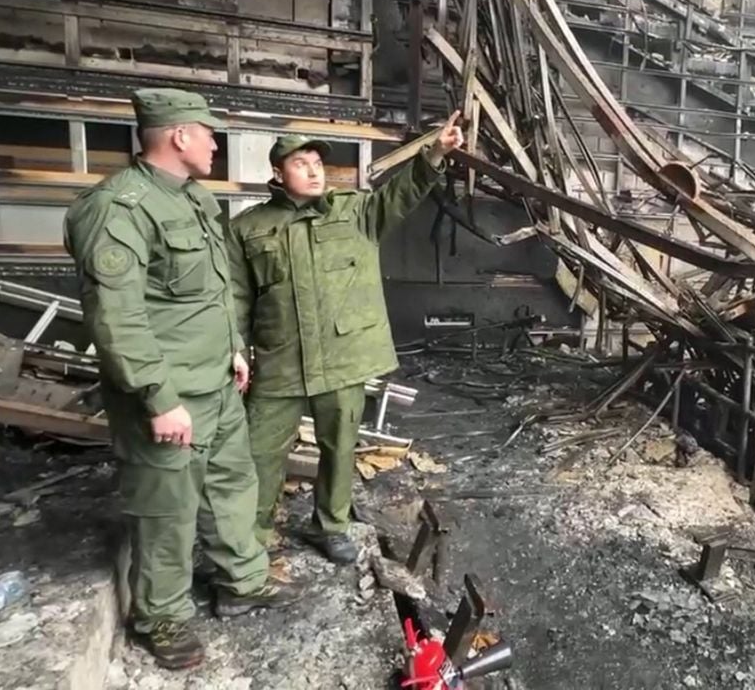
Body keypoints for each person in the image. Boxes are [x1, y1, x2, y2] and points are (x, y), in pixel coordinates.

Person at [63, 88, 305, 671]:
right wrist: (158, 398)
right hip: (168, 395)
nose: (215, 142)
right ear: (178, 136)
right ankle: (161, 616)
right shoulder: (119, 209)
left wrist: (234, 350)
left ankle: (241, 580)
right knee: (166, 510)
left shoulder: (193, 198)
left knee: (232, 485)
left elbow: (215, 290)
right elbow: (117, 319)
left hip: (216, 382)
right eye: (208, 131)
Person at [228, 113, 464, 561]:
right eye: (302, 163)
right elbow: (235, 296)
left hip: (341, 358)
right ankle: (248, 539)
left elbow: (403, 191)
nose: (315, 169)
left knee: (339, 449)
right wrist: (236, 350)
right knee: (259, 454)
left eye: (318, 161)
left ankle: (330, 525)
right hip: (280, 360)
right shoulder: (247, 228)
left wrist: (434, 152)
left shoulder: (356, 211)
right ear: (278, 173)